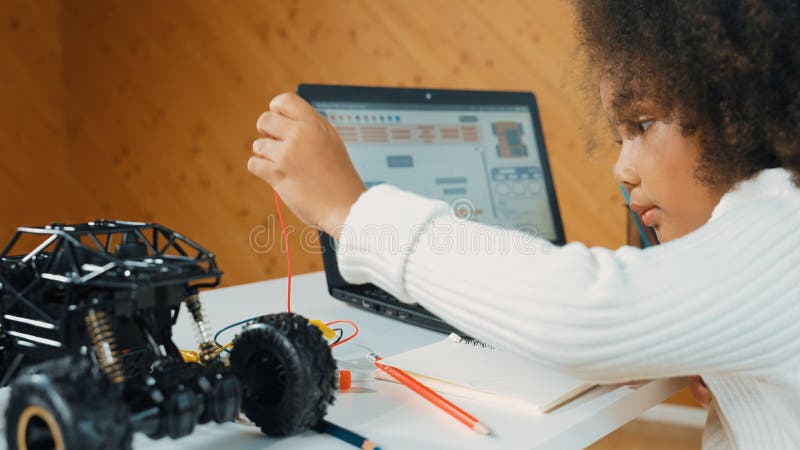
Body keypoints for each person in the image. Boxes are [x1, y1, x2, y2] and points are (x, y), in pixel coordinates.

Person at [247, 1, 800, 448]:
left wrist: (351, 211)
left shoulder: (782, 225)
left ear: (733, 108)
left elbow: (582, 310)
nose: (620, 168)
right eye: (618, 136)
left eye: (642, 123)